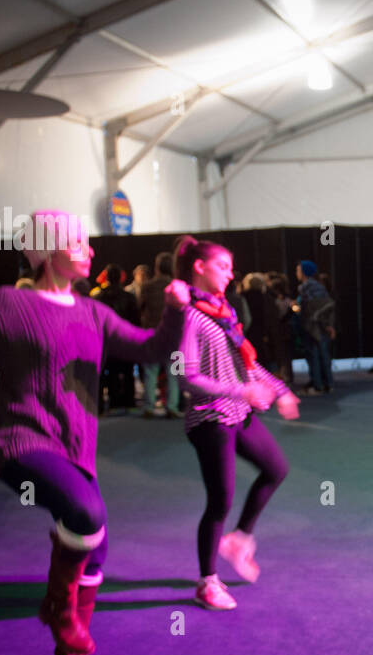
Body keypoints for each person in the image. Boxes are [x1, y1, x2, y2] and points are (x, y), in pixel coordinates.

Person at [0, 210, 187, 655]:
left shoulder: (93, 311)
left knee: (94, 550)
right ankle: (58, 610)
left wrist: (177, 311)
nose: (91, 250)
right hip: (18, 442)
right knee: (85, 512)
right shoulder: (9, 304)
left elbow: (151, 350)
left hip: (75, 449)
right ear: (48, 252)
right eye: (79, 243)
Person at [172, 236, 300, 611]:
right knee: (221, 499)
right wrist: (241, 393)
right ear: (200, 267)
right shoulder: (189, 316)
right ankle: (207, 581)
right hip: (209, 419)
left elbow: (247, 365)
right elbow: (186, 379)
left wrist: (280, 390)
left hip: (237, 414)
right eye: (223, 266)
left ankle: (240, 538)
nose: (230, 274)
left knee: (276, 468)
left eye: (231, 267)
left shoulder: (222, 311)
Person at [95, 264, 140, 413]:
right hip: (125, 337)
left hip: (105, 339)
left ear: (106, 277)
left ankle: (108, 403)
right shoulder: (129, 297)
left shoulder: (98, 297)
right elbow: (135, 319)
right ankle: (128, 401)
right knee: (127, 370)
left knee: (107, 370)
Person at [139, 252, 180, 417]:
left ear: (156, 267)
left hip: (152, 333)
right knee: (174, 373)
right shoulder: (177, 286)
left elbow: (140, 307)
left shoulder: (147, 286)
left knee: (150, 372)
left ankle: (149, 407)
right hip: (174, 334)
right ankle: (172, 407)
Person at [296, 260, 335, 394]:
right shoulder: (320, 287)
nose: (297, 273)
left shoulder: (305, 287)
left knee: (313, 356)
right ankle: (327, 384)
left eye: (298, 270)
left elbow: (307, 307)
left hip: (311, 325)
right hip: (321, 325)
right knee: (323, 355)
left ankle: (317, 385)